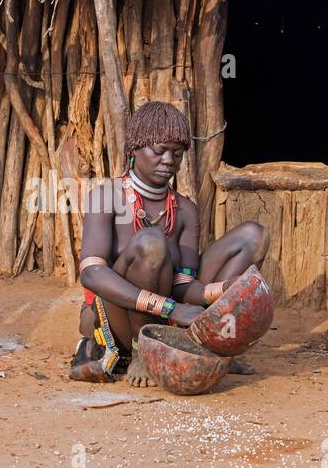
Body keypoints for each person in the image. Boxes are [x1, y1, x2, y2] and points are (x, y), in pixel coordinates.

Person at [70, 101, 268, 386]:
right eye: (159, 151)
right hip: (121, 320)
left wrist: (225, 291)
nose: (169, 161)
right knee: (152, 242)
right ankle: (142, 351)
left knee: (254, 235)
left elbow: (182, 284)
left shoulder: (184, 210)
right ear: (134, 149)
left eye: (177, 154)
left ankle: (213, 345)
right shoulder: (107, 196)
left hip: (176, 316)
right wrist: (171, 309)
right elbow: (91, 274)